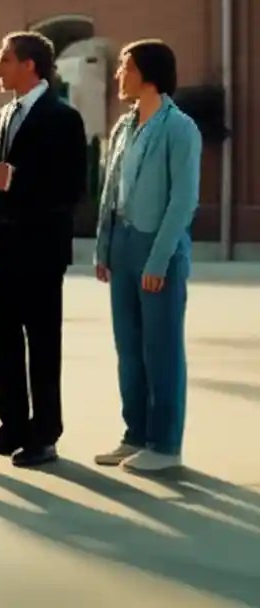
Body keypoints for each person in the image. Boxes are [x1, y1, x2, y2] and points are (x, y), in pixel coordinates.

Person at [0, 31, 87, 468]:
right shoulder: (4, 114)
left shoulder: (63, 117)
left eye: (4, 59)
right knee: (1, 340)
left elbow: (72, 187)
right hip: (1, 247)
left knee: (42, 343)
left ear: (29, 65)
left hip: (41, 249)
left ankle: (45, 434)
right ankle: (12, 426)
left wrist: (15, 180)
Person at [93, 39, 200, 473]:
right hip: (122, 244)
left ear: (147, 74)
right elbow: (109, 191)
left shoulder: (179, 128)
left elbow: (183, 200)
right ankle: (134, 435)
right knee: (129, 349)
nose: (118, 75)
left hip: (159, 247)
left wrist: (158, 261)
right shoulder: (124, 126)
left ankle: (165, 445)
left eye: (126, 67)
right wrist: (104, 247)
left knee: (161, 349)